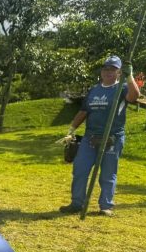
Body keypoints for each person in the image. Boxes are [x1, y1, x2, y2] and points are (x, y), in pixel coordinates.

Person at [59, 55, 140, 216]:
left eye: (113, 69)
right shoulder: (94, 90)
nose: (109, 72)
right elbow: (84, 111)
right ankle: (76, 203)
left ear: (119, 72)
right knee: (80, 169)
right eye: (106, 68)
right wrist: (71, 130)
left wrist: (130, 75)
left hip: (112, 138)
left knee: (108, 173)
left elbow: (134, 96)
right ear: (102, 71)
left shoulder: (122, 88)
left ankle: (106, 206)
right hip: (90, 138)